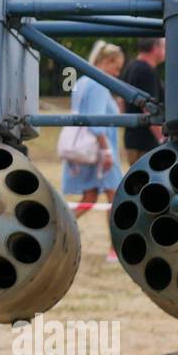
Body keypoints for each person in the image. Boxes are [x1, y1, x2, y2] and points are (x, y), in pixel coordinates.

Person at [62, 41, 124, 261]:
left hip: (89, 149)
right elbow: (96, 122)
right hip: (101, 149)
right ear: (106, 62)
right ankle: (115, 249)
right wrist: (107, 152)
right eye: (116, 68)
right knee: (114, 198)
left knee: (89, 196)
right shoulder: (98, 84)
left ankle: (56, 230)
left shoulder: (82, 81)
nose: (117, 73)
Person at [121, 37, 165, 166]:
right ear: (154, 48)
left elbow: (121, 102)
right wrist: (162, 139)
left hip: (132, 138)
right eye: (164, 46)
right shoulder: (146, 71)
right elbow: (149, 109)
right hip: (146, 143)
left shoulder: (130, 67)